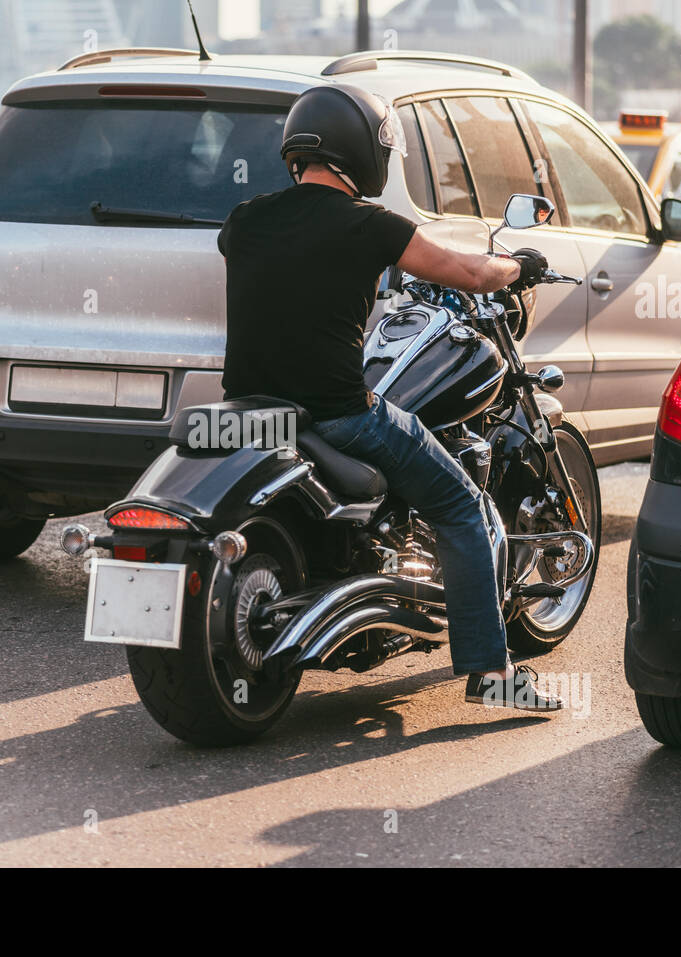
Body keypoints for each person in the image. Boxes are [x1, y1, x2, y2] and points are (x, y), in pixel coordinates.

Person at [216, 83, 563, 713]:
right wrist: (517, 267)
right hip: (340, 417)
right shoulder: (369, 226)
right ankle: (493, 674)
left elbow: (289, 266)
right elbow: (469, 273)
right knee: (463, 504)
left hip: (252, 413)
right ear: (366, 152)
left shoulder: (244, 221)